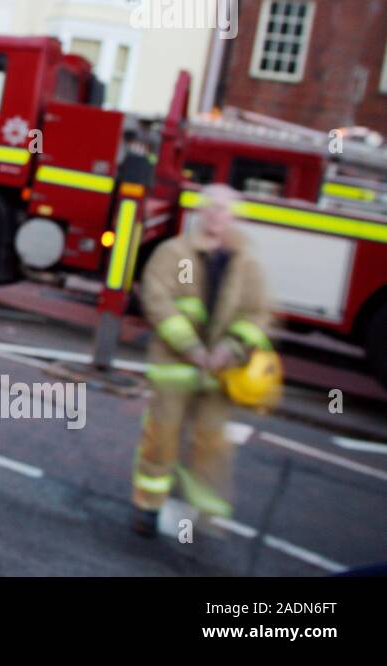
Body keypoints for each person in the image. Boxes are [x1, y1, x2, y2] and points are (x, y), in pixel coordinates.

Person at [132, 184, 271, 536]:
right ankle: (148, 507)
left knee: (210, 443)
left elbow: (256, 314)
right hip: (175, 368)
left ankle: (203, 514)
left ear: (235, 217)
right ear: (200, 212)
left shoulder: (246, 263)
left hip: (219, 375)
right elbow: (157, 298)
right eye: (211, 208)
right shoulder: (174, 254)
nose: (217, 216)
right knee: (161, 438)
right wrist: (191, 348)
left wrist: (231, 348)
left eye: (225, 210)